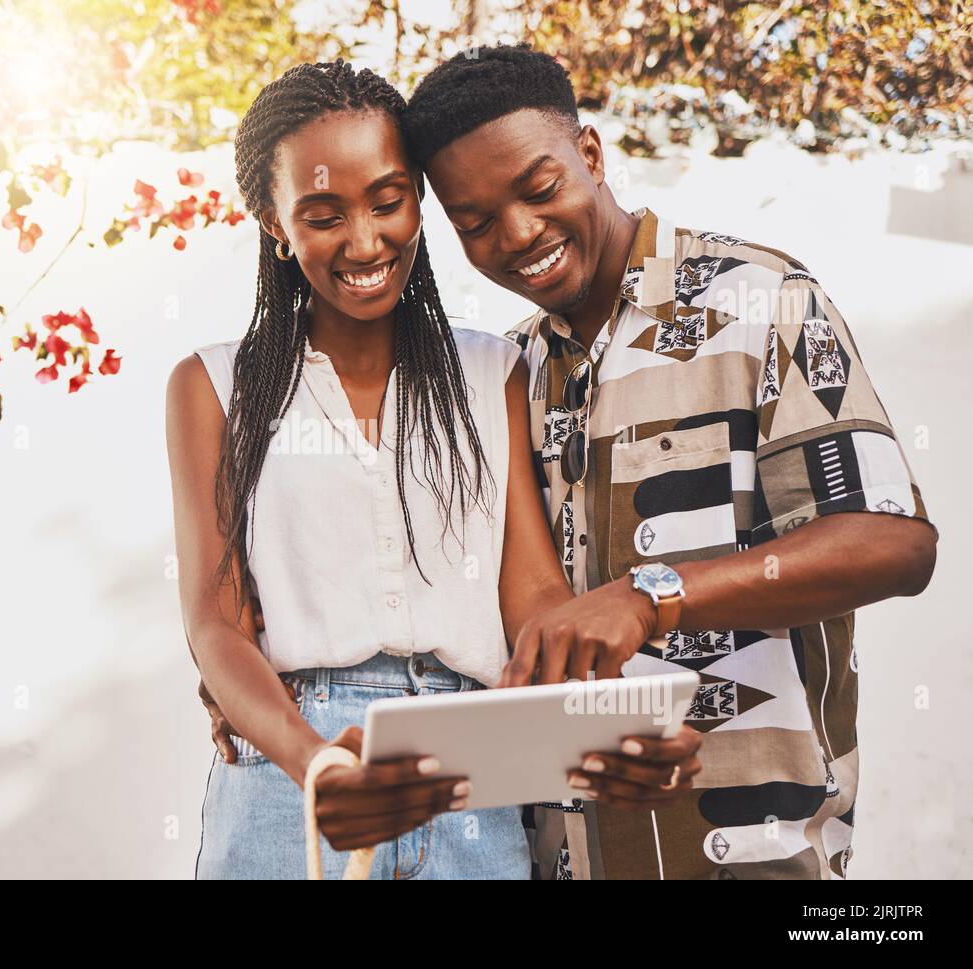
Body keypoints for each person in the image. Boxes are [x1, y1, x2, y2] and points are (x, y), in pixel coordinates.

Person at [390, 43, 939, 878]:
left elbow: (894, 541)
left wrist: (655, 594)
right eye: (474, 223)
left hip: (756, 859)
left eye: (539, 190)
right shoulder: (507, 373)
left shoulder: (761, 301)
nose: (519, 234)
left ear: (591, 153)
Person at [166, 59, 702, 880]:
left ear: (418, 198)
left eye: (388, 201)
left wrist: (604, 724)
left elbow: (533, 603)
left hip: (471, 773)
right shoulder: (212, 385)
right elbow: (217, 623)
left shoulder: (496, 372)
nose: (365, 240)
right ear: (275, 224)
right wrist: (314, 761)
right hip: (289, 766)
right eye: (323, 213)